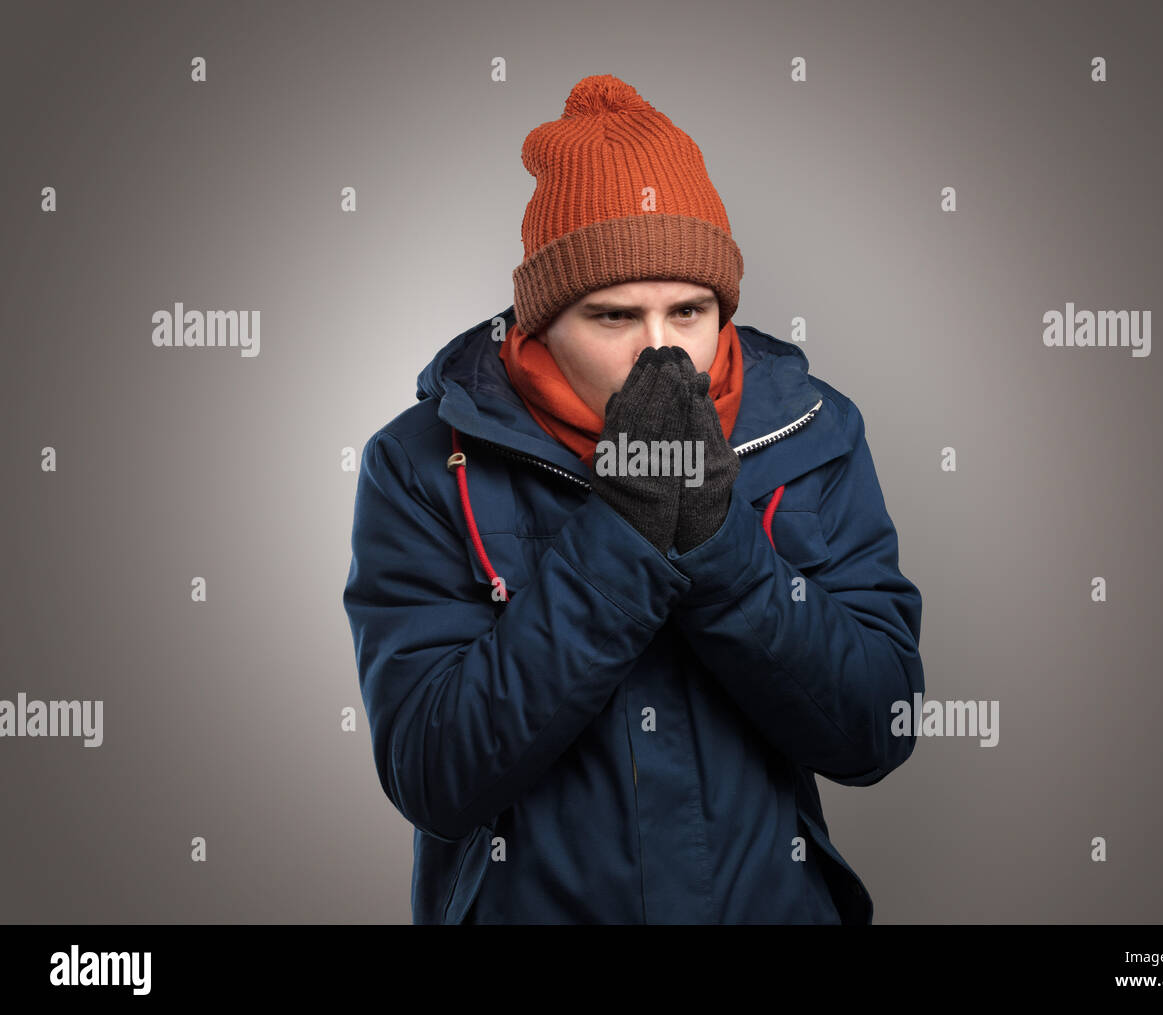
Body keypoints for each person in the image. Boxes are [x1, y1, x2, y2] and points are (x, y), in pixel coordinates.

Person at [342, 73, 924, 924]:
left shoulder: (813, 430)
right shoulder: (422, 460)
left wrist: (721, 546)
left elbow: (878, 726)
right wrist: (621, 532)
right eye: (614, 317)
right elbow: (436, 771)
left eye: (688, 310)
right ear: (541, 322)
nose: (664, 352)